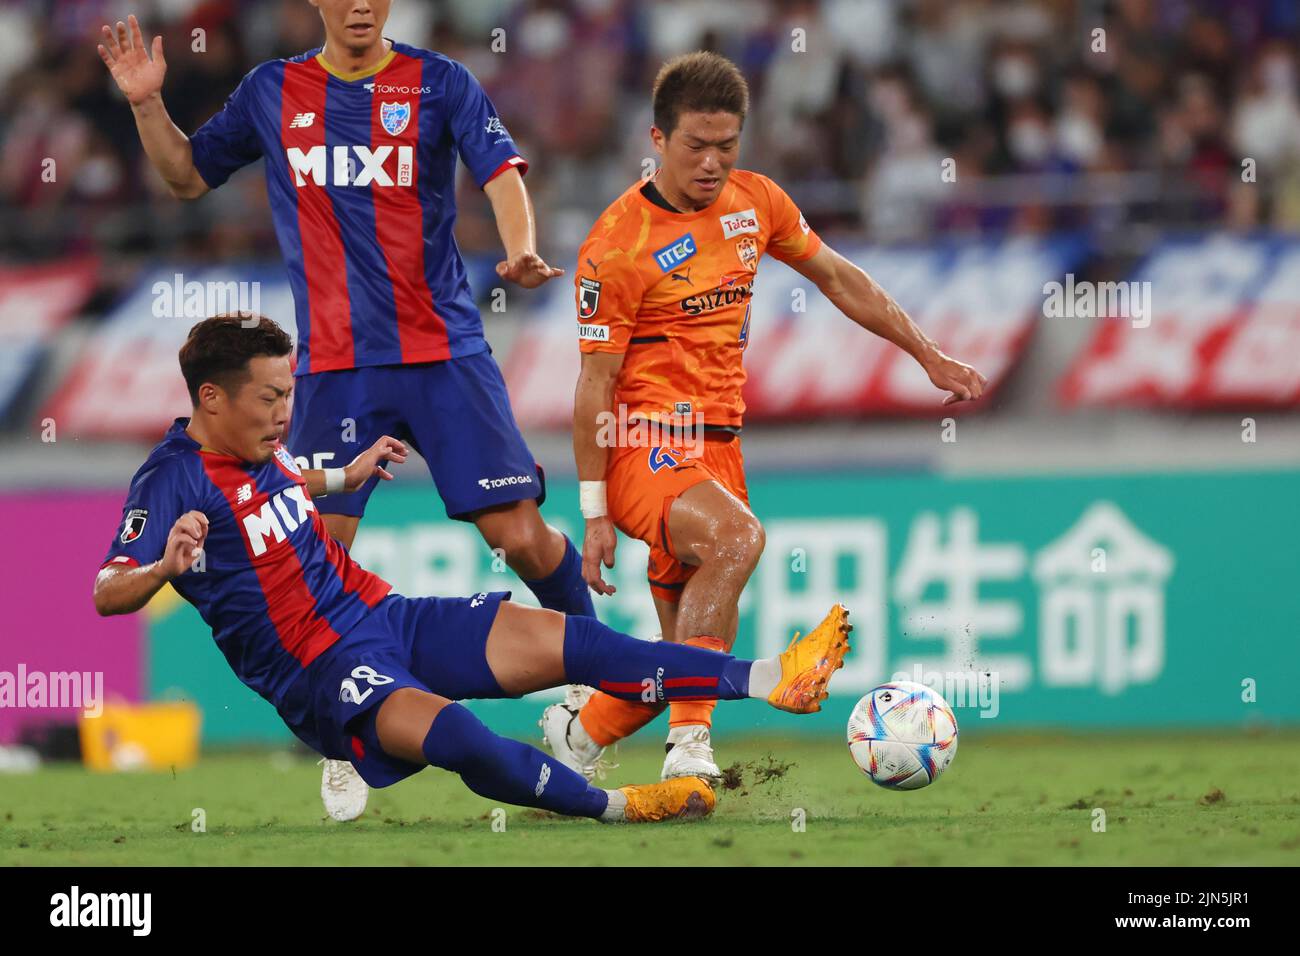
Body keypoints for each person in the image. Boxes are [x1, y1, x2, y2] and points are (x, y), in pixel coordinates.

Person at [97, 3, 586, 820]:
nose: (361, 4)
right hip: (334, 365)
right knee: (316, 553)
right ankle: (343, 737)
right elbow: (184, 178)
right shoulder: (270, 91)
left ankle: (587, 702)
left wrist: (519, 246)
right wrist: (148, 102)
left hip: (445, 352)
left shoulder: (440, 81)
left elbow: (500, 170)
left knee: (520, 537)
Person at [93, 315, 852, 824]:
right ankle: (618, 806)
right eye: (270, 398)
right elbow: (106, 592)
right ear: (211, 398)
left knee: (573, 643)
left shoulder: (259, 445)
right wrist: (164, 562)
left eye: (289, 394)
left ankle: (771, 679)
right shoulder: (168, 483)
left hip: (382, 616)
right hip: (322, 673)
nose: (285, 412)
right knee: (461, 739)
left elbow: (285, 485)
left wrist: (346, 474)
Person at [542, 51, 985, 784]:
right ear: (656, 140)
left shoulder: (757, 204)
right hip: (643, 445)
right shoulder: (616, 246)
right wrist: (593, 511)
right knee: (739, 537)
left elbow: (838, 277)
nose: (713, 162)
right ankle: (691, 752)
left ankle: (576, 736)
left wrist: (927, 355)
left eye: (727, 145)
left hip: (718, 449)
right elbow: (594, 384)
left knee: (677, 652)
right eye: (696, 146)